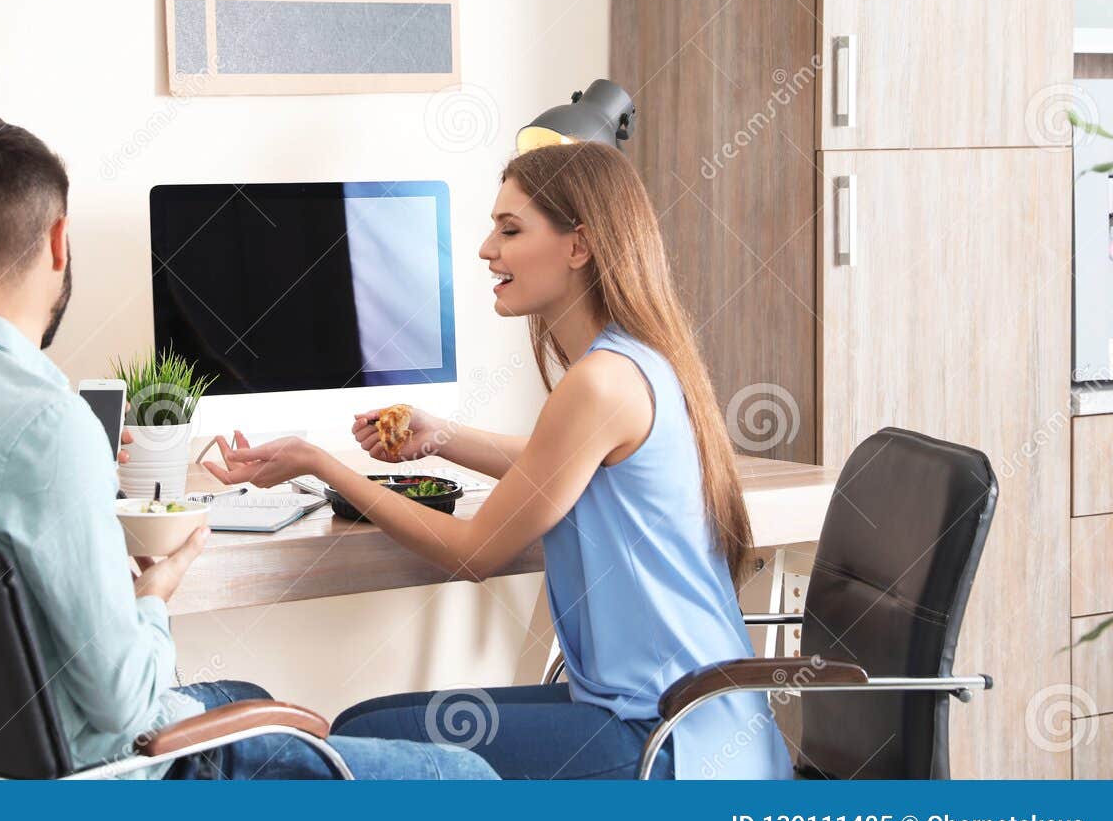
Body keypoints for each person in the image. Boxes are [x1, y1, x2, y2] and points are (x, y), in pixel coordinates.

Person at [0, 119, 494, 781]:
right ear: (60, 242)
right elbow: (124, 706)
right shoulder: (55, 424)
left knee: (241, 691)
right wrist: (154, 594)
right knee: (464, 774)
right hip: (105, 777)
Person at [204, 141, 793, 780]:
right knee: (364, 730)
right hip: (691, 722)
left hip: (671, 745)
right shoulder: (633, 363)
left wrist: (322, 464)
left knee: (359, 742)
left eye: (510, 230)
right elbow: (557, 464)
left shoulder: (598, 384)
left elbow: (473, 552)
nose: (487, 249)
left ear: (579, 246)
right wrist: (440, 436)